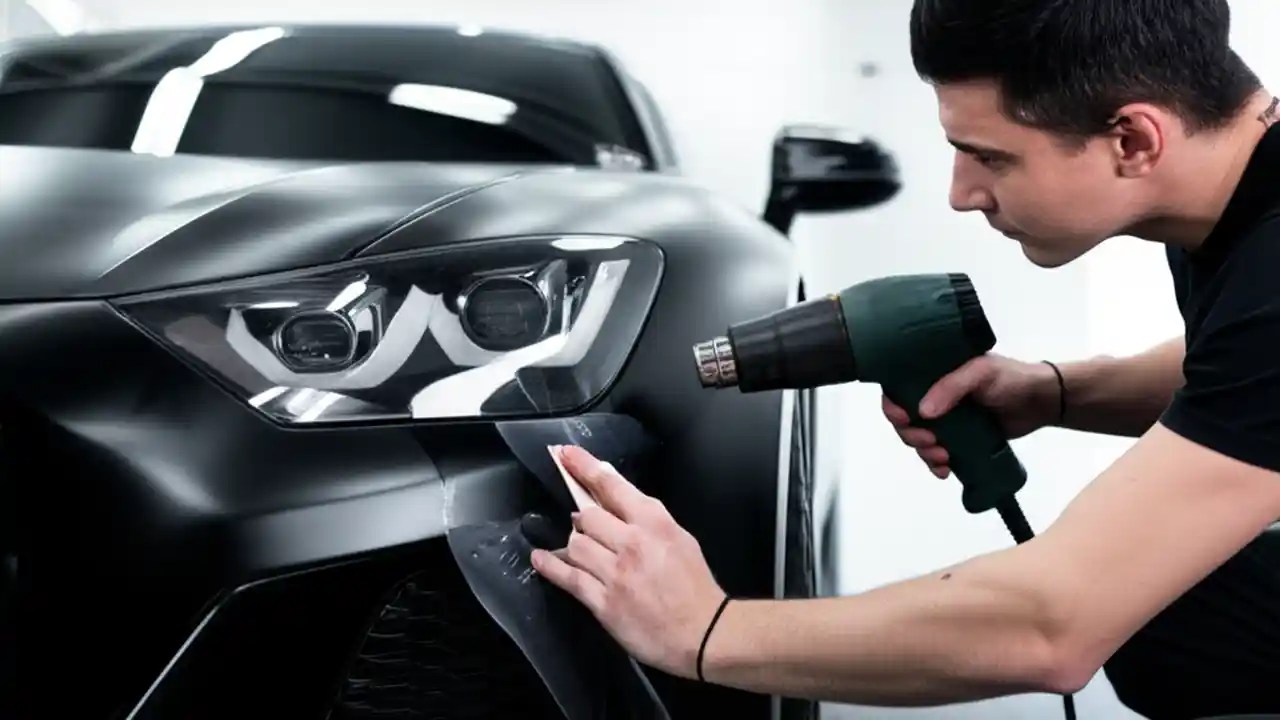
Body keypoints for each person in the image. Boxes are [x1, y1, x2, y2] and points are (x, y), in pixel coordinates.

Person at [529, 1, 1280, 717]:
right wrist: (1053, 393)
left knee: (1161, 613)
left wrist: (704, 630)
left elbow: (1052, 626)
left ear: (1133, 142)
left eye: (990, 157)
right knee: (1183, 623)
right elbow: (1237, 364)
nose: (962, 194)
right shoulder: (1242, 203)